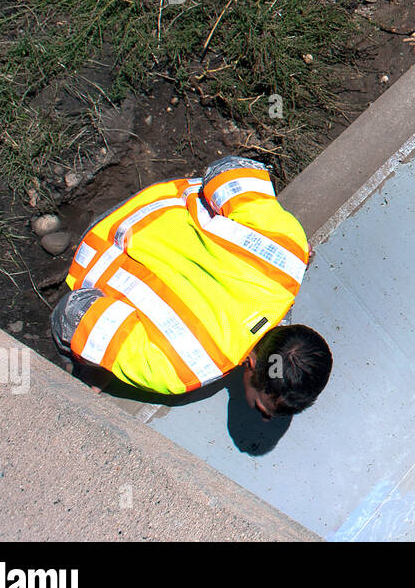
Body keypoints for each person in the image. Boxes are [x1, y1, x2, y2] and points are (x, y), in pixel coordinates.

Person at [51, 156, 331, 419]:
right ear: (251, 367)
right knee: (85, 349)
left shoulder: (288, 252)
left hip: (157, 203)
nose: (266, 419)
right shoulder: (180, 371)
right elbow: (73, 311)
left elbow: (228, 169)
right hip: (100, 250)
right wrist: (92, 361)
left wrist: (289, 254)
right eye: (262, 409)